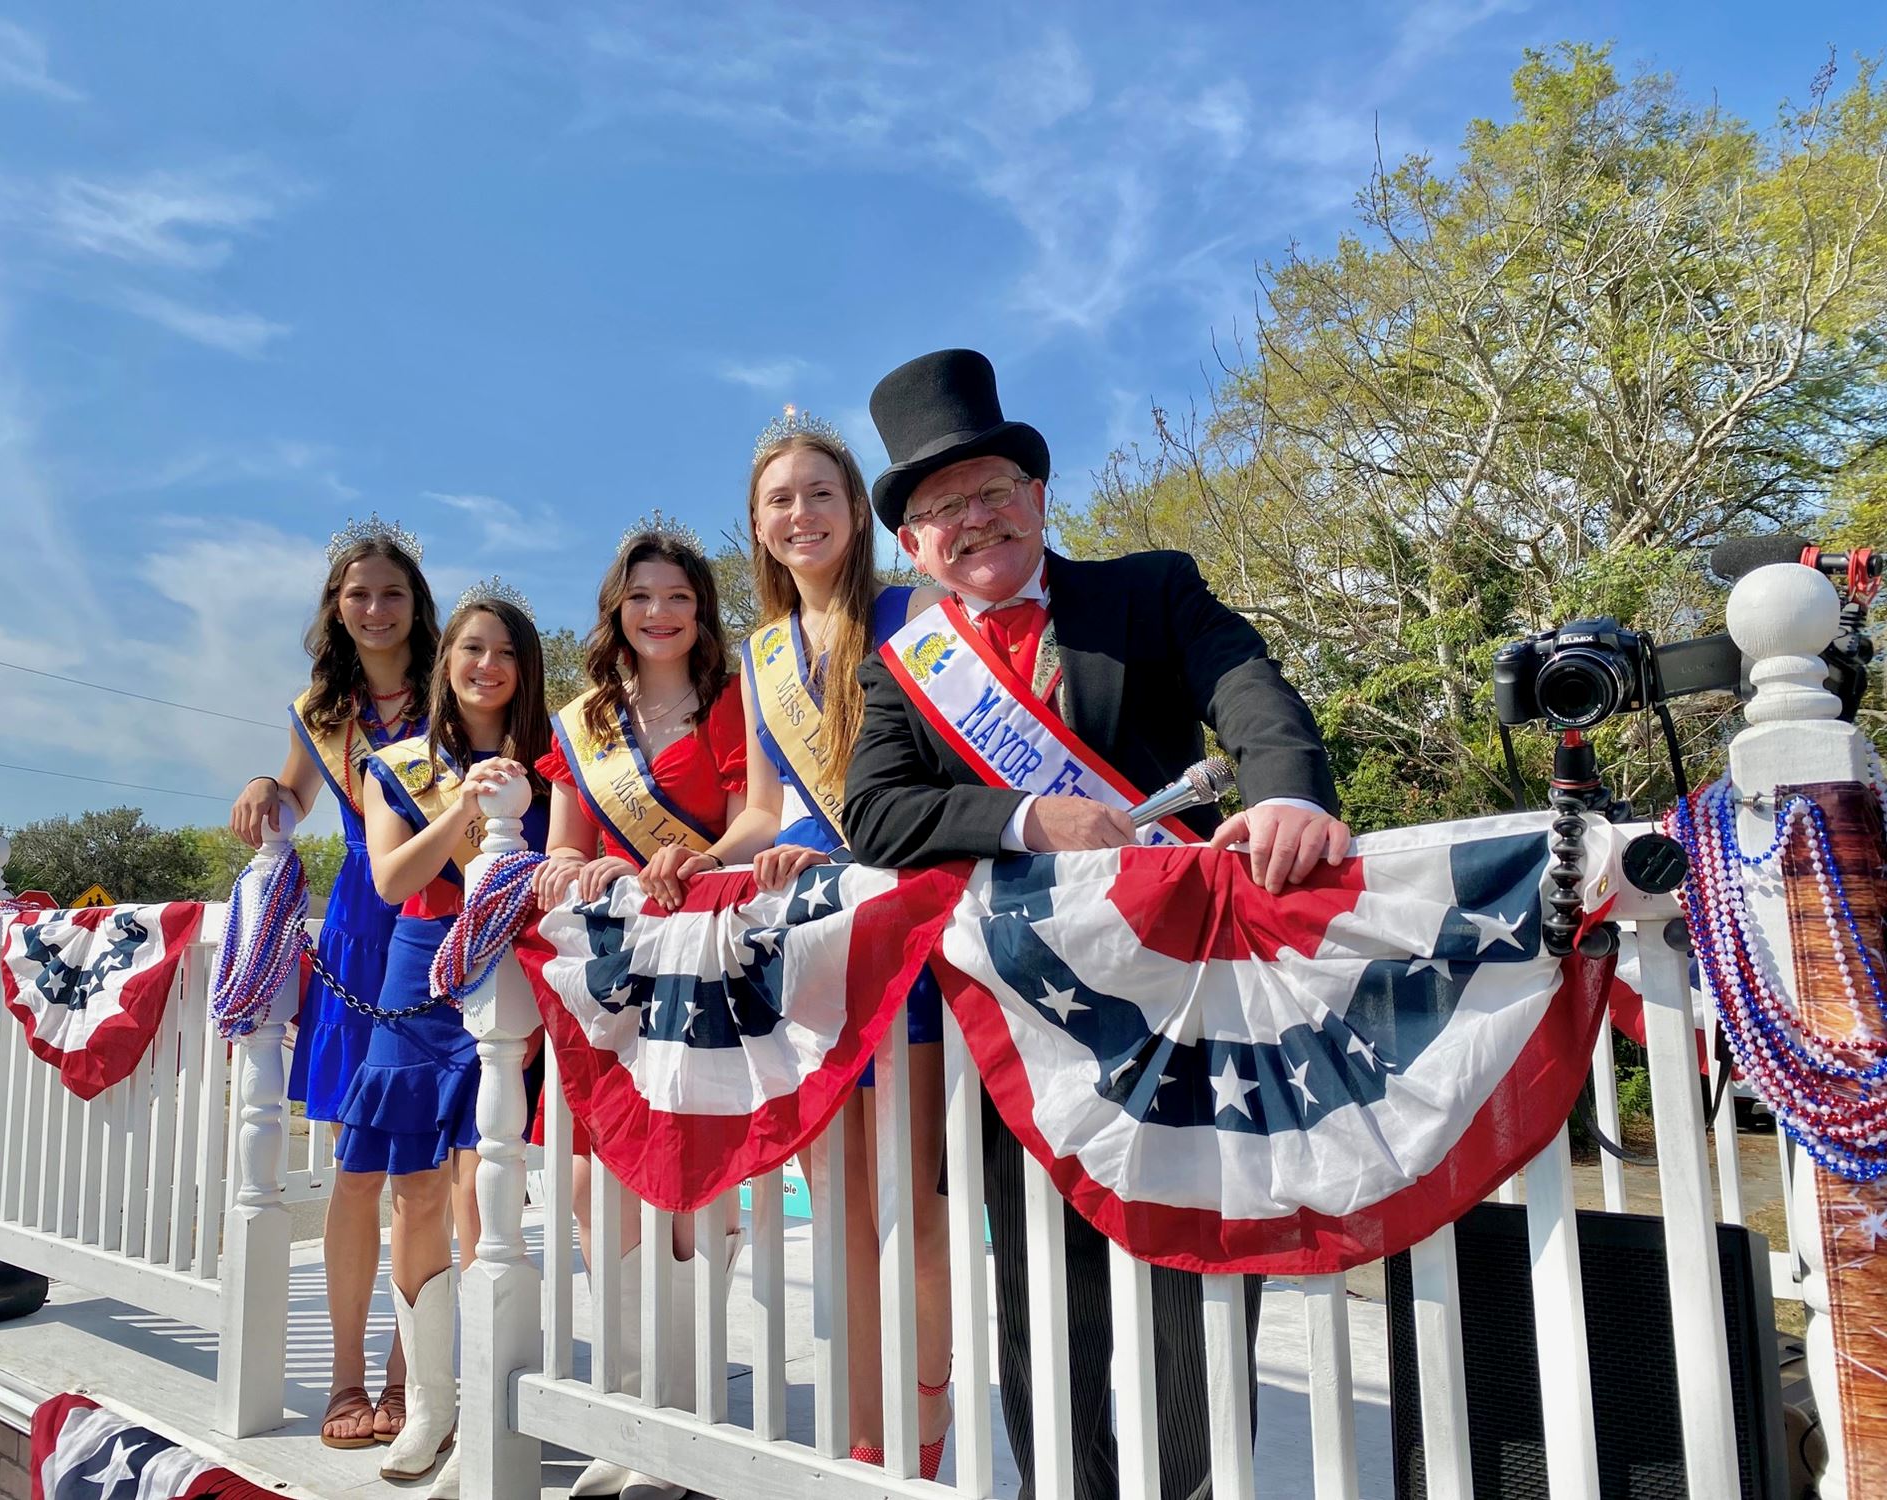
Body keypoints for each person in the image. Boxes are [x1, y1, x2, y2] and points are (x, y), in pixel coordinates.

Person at [843, 349, 1351, 1500]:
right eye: (940, 512)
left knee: (1190, 1273)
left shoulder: (1148, 589)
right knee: (1040, 1291)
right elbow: (872, 812)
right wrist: (1026, 817)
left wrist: (1282, 792)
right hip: (1022, 1018)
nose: (972, 524)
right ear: (915, 548)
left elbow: (1251, 690)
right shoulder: (904, 671)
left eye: (989, 494)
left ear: (1035, 497)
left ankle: (1182, 1489)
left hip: (1180, 1006)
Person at [636, 409, 954, 1478]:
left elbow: (946, 781)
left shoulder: (918, 614)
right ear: (758, 526)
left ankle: (924, 1423)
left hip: (899, 919)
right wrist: (697, 854)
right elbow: (765, 814)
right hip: (804, 942)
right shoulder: (764, 655)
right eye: (779, 499)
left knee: (913, 1197)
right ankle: (866, 1438)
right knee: (843, 1206)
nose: (800, 512)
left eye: (819, 491)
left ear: (854, 508)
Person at [528, 518, 747, 1500]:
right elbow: (564, 847)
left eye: (678, 598)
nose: (658, 614)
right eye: (641, 598)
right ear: (616, 611)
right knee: (589, 1186)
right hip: (612, 976)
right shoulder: (584, 723)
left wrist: (692, 858)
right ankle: (629, 1412)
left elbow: (757, 822)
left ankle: (687, 1413)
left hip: (704, 961)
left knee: (691, 1183)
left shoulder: (735, 702)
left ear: (699, 614)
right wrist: (581, 864)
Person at [228, 515, 438, 1451]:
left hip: (443, 916)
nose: (377, 607)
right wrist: (264, 793)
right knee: (357, 1173)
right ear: (337, 608)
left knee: (426, 1176)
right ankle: (346, 1380)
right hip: (360, 930)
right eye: (360, 594)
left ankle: (412, 1379)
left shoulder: (449, 687)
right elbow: (294, 794)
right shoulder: (320, 713)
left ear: (416, 604)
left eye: (393, 592)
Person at [338, 582, 551, 1494]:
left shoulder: (555, 758)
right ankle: (428, 1403)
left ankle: (487, 1408)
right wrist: (464, 807)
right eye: (471, 649)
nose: (486, 666)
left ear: (524, 668)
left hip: (511, 969)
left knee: (482, 1200)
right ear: (446, 663)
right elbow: (390, 881)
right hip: (417, 969)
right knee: (413, 1194)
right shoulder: (403, 761)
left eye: (504, 652)